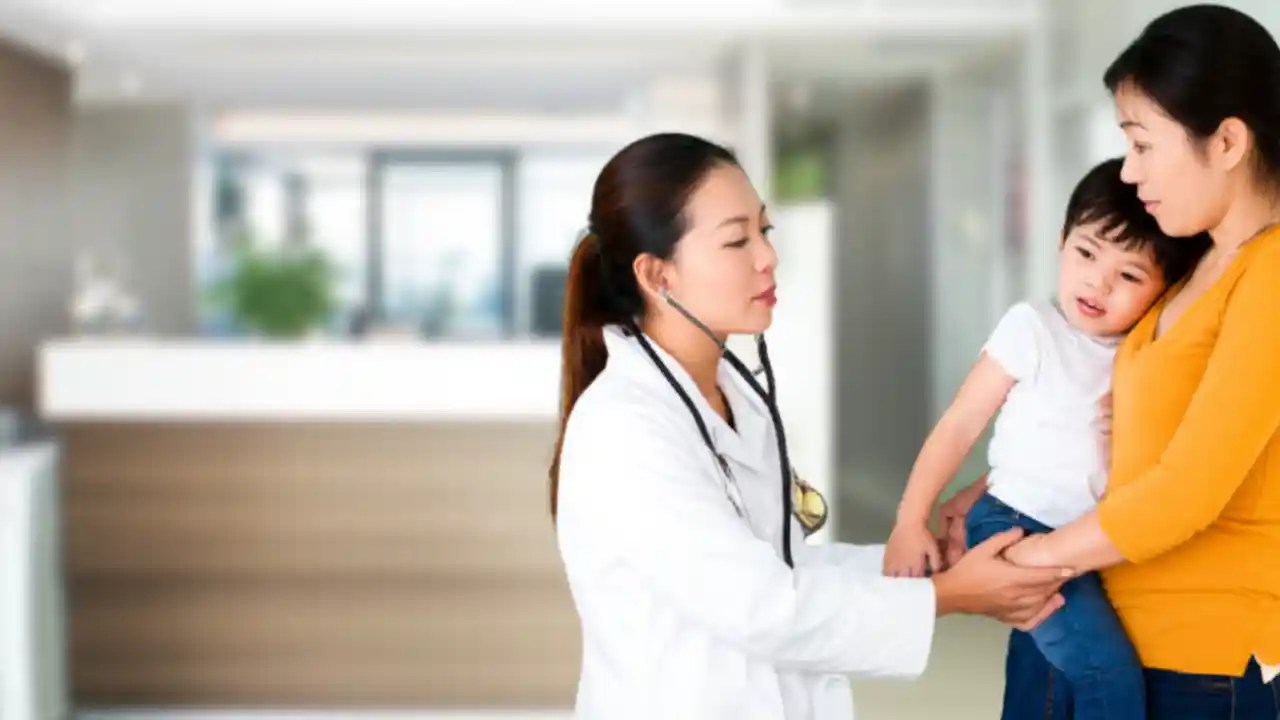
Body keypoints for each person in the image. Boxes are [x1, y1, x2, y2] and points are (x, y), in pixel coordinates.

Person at [550, 132, 1072, 719]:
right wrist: (948, 596)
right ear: (658, 275)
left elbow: (783, 565)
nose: (767, 256)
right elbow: (762, 606)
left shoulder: (730, 394)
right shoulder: (626, 429)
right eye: (736, 240)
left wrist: (925, 565)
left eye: (764, 231)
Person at [945, 6, 1280, 717]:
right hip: (1099, 626)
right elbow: (1113, 424)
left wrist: (1018, 561)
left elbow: (1184, 492)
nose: (1130, 172)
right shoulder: (1190, 268)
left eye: (1142, 143)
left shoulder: (1272, 274)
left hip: (1195, 662)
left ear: (1226, 141)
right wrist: (989, 501)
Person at [883, 157, 1206, 719]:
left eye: (1129, 275)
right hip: (1020, 527)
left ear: (1163, 290)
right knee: (1107, 676)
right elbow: (960, 423)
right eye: (1086, 253)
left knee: (1044, 685)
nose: (1097, 283)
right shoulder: (1032, 328)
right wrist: (912, 519)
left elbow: (1054, 443)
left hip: (1089, 539)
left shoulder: (1138, 356)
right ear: (1061, 241)